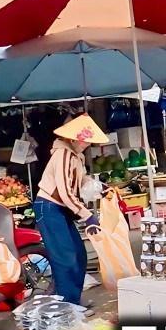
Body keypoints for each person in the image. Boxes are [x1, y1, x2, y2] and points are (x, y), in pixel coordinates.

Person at [36, 114, 105, 305]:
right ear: (72, 138)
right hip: (49, 208)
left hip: (61, 210)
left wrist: (99, 187)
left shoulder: (77, 156)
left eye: (87, 142)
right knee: (65, 259)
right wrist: (87, 215)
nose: (85, 145)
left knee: (79, 255)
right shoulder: (63, 154)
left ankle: (73, 303)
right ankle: (66, 309)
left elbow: (81, 180)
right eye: (82, 141)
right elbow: (65, 192)